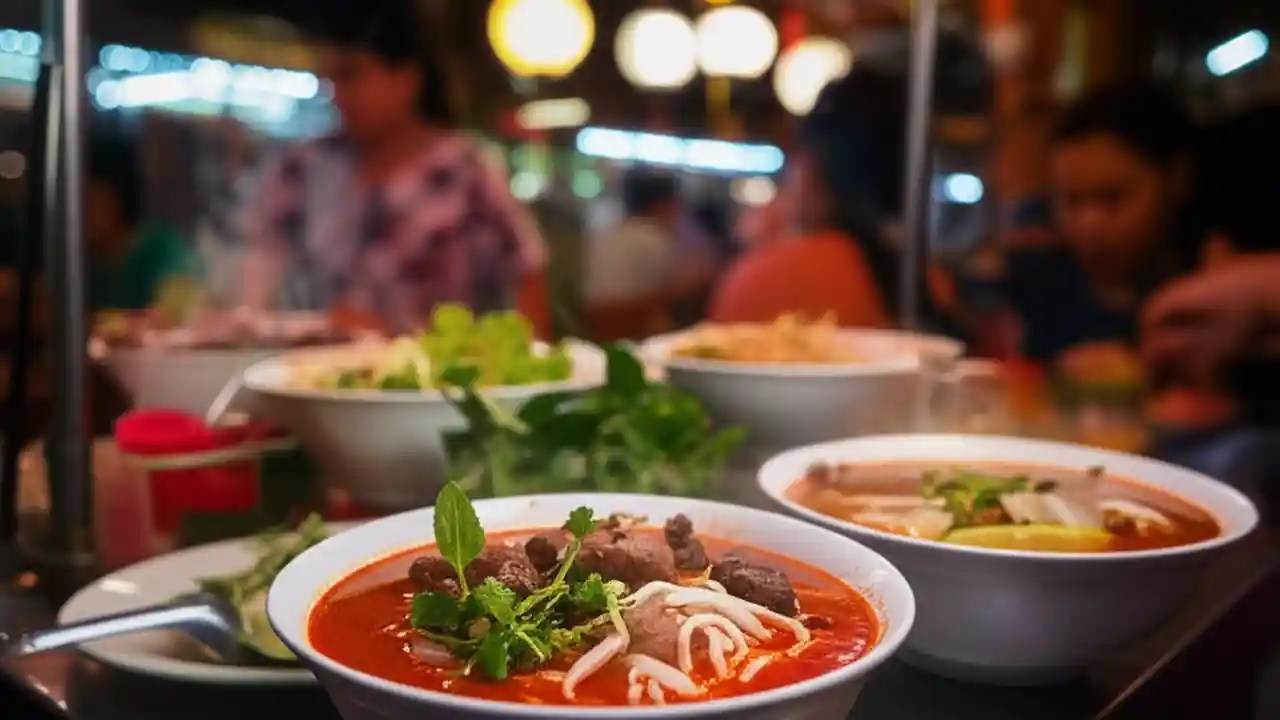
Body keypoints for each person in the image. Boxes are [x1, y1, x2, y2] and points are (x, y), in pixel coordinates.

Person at [240, 0, 544, 333]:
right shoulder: (302, 168)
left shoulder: (464, 171)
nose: (339, 95)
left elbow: (526, 275)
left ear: (408, 78)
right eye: (330, 78)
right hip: (308, 377)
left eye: (352, 75)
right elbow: (253, 278)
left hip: (425, 378)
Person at [1007, 84, 1201, 362]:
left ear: (1177, 180)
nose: (1089, 224)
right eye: (1072, 200)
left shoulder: (1208, 291)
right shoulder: (1035, 271)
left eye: (1112, 198)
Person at [87, 138, 194, 311]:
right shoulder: (85, 258)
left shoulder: (160, 251)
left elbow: (177, 315)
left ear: (119, 198)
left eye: (92, 201)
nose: (84, 212)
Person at [581, 168, 687, 341]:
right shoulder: (654, 238)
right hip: (630, 325)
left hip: (592, 324)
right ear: (663, 203)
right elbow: (667, 291)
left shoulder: (608, 233)